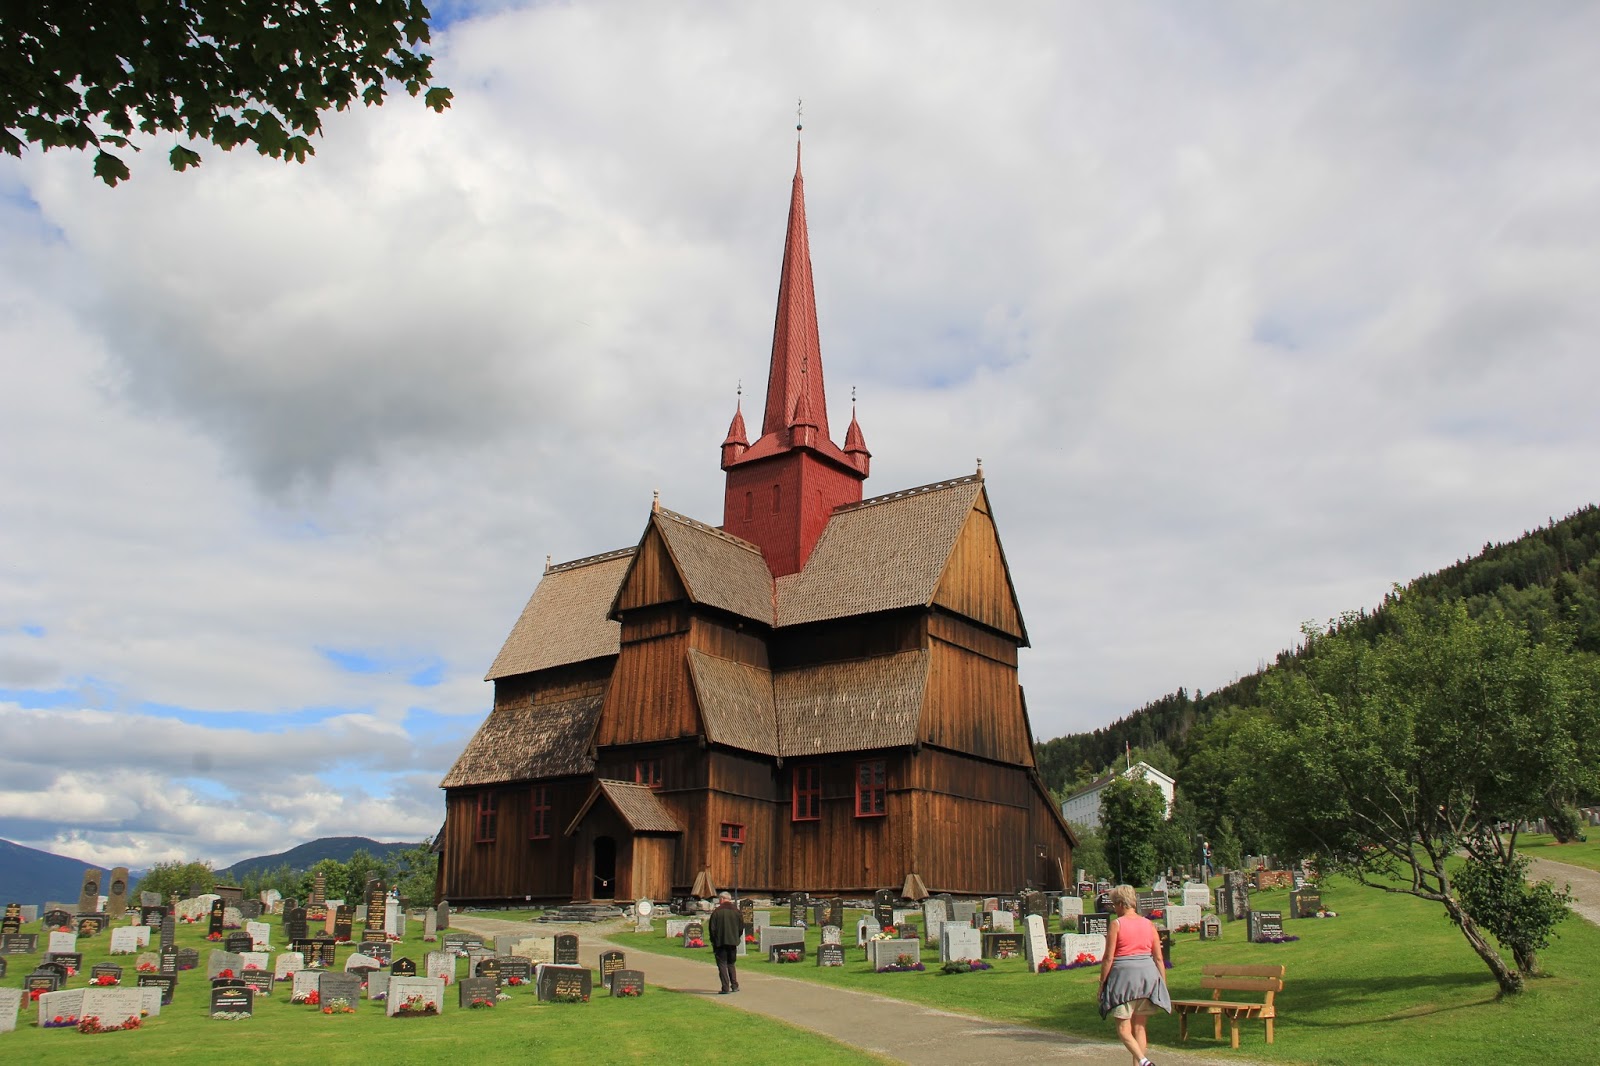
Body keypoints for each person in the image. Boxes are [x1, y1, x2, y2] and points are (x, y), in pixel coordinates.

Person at [1098, 884, 1171, 1066]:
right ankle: (1139, 1064)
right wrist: (1162, 982)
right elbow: (1159, 958)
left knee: (1123, 1028)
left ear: (1121, 904)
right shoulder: (1149, 924)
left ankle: (1144, 1061)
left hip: (1124, 979)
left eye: (1115, 905)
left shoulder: (1117, 924)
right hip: (1147, 977)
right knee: (1140, 1026)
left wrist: (1102, 983)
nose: (1114, 909)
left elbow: (1108, 957)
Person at [707, 890, 742, 994]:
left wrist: (714, 941)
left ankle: (725, 988)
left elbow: (712, 929)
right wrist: (736, 937)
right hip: (732, 941)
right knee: (731, 963)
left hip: (720, 942)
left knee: (722, 964)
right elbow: (741, 928)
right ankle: (734, 985)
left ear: (722, 899)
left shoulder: (717, 912)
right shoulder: (736, 911)